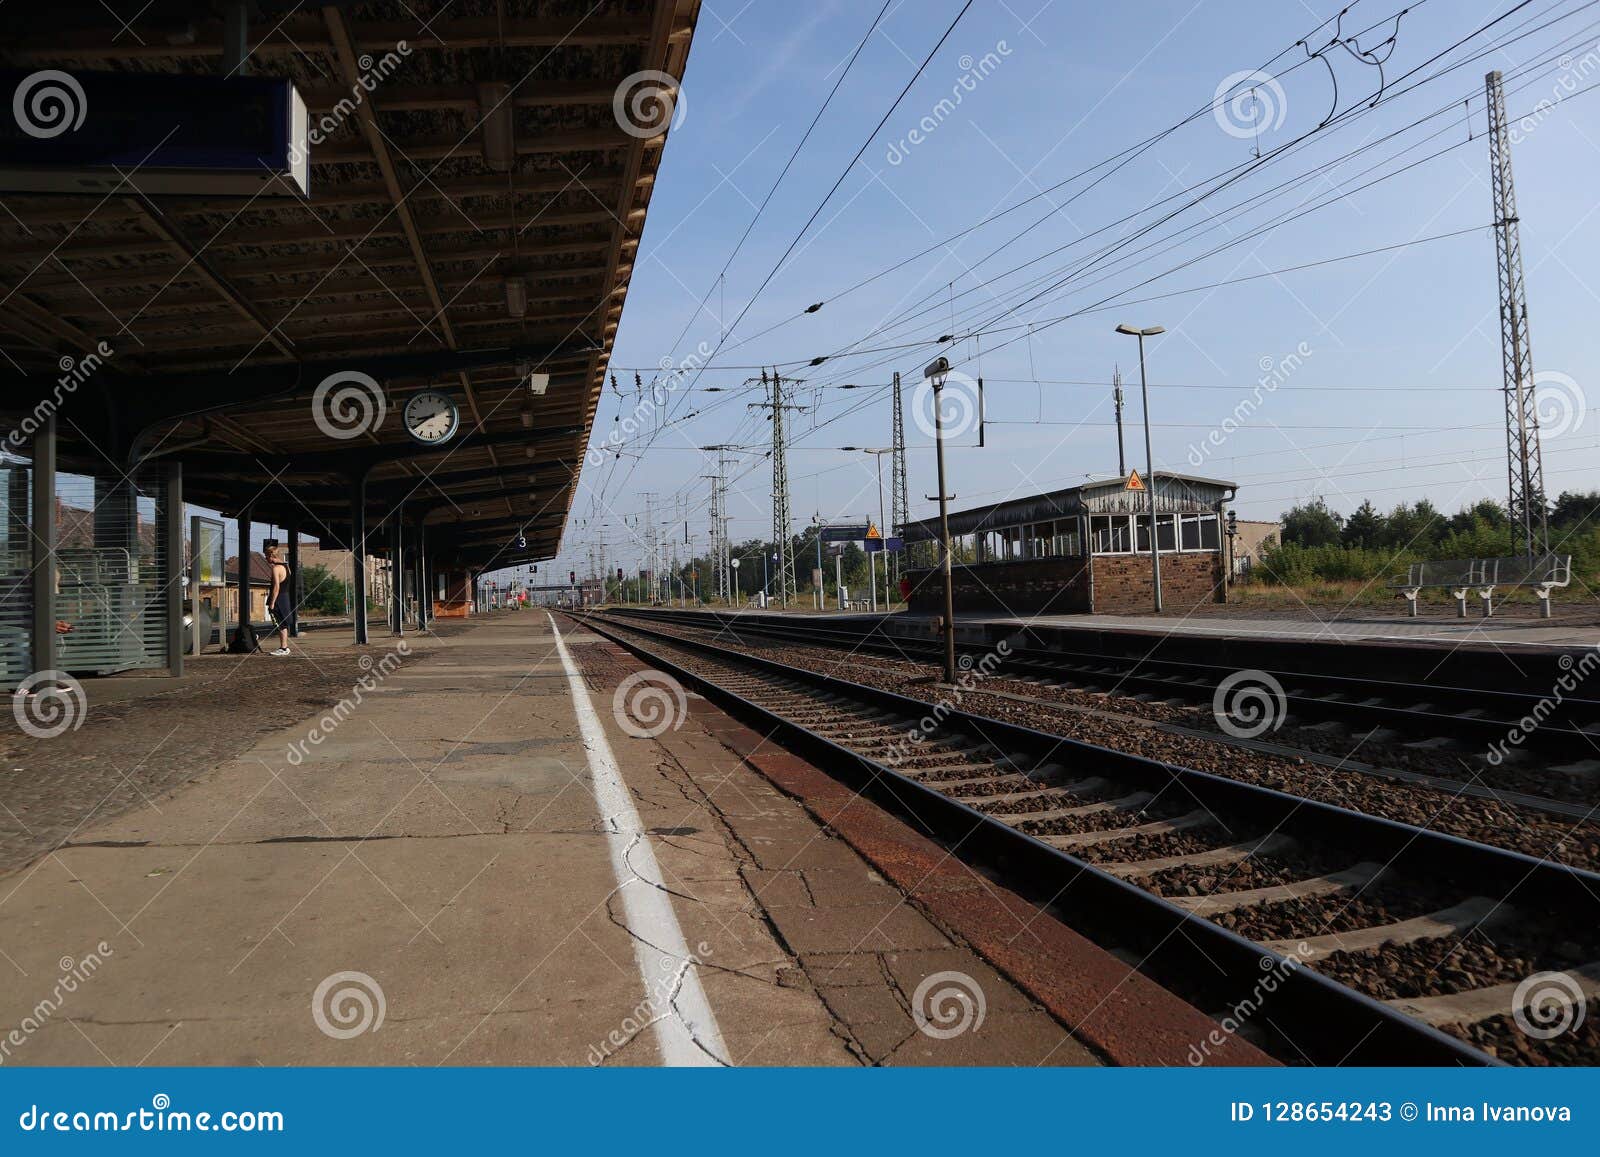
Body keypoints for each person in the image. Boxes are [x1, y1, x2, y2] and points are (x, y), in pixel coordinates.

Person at [264, 544, 295, 656]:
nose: (265, 558)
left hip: (278, 599)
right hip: (285, 597)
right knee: (284, 624)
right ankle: (284, 647)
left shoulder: (276, 569)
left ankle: (283, 648)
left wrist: (272, 602)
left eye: (266, 556)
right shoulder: (287, 567)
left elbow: (276, 587)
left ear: (271, 556)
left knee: (280, 624)